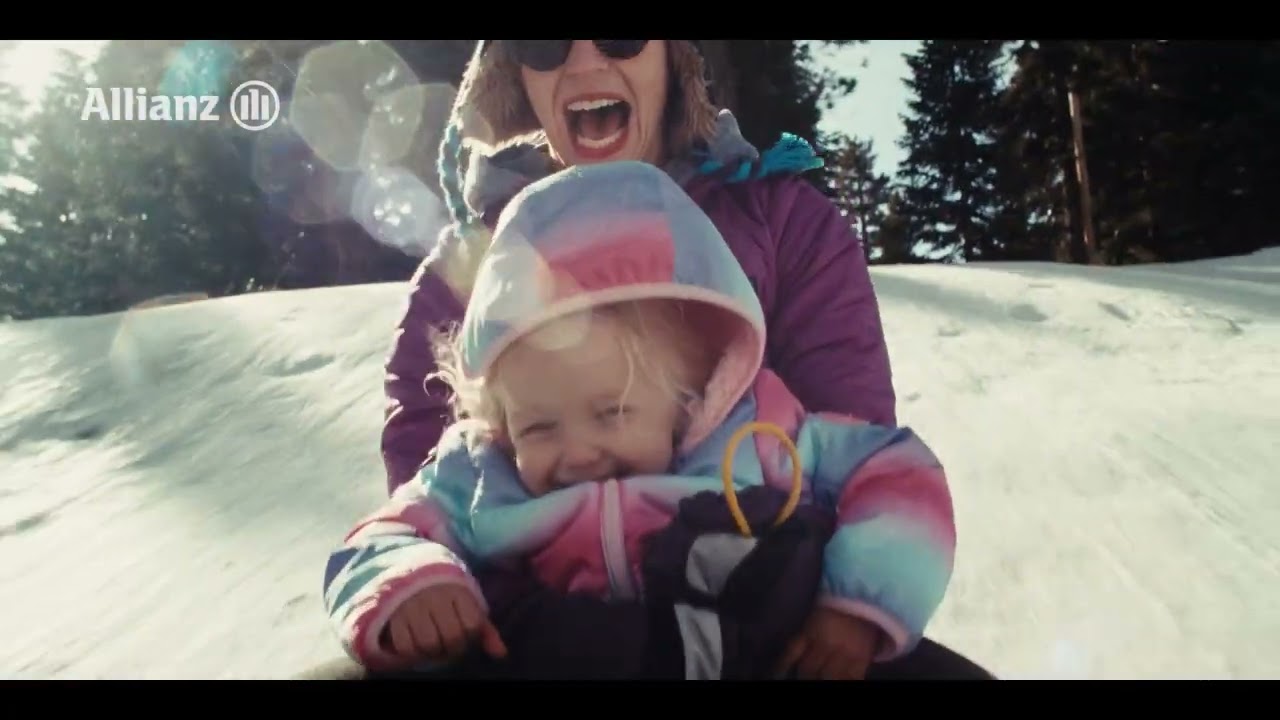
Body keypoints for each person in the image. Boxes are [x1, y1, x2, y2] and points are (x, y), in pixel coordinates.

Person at [317, 161, 985, 680]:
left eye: (610, 412)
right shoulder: (478, 473)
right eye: (539, 427)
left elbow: (896, 470)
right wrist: (414, 585)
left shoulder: (764, 437)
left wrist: (854, 610)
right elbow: (386, 532)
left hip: (754, 653)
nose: (577, 453)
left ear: (688, 393)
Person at [380, 40, 898, 498]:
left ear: (675, 57)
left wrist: (821, 602)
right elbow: (425, 492)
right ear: (514, 72)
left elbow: (858, 462)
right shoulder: (469, 266)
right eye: (542, 44)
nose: (583, 62)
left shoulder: (783, 226)